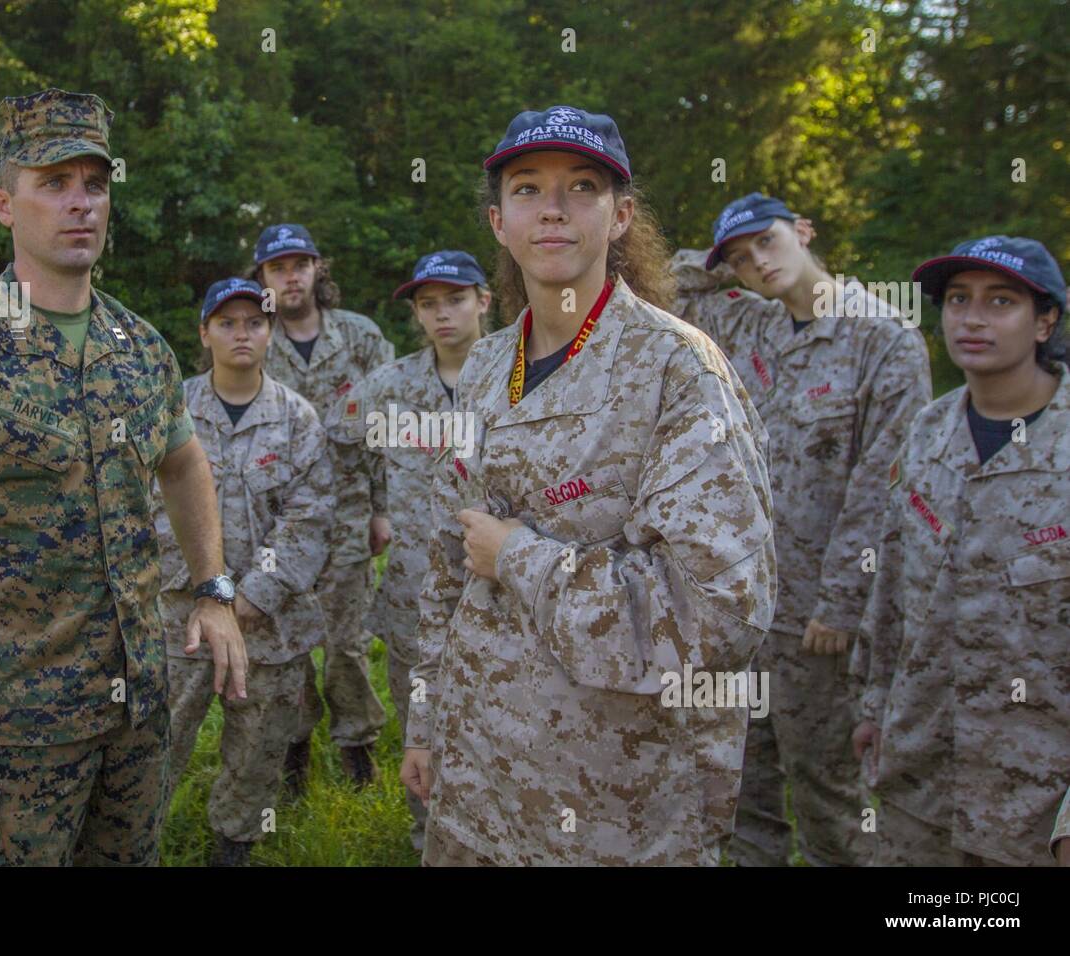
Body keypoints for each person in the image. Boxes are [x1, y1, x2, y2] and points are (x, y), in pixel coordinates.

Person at [0, 88, 247, 866]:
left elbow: (184, 461)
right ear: (6, 203)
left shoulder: (141, 348)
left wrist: (213, 589)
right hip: (9, 730)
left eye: (94, 184)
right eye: (54, 183)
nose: (80, 205)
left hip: (138, 713)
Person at [399, 106, 776, 865]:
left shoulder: (677, 368)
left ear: (620, 215)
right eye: (528, 189)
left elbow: (721, 612)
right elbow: (446, 568)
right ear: (499, 222)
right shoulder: (483, 367)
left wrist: (521, 558)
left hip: (616, 800)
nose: (554, 210)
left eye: (582, 187)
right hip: (478, 784)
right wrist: (425, 721)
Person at [670, 194, 932, 866]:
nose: (757, 261)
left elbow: (885, 483)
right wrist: (717, 267)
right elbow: (665, 284)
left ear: (806, 231)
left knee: (824, 789)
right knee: (742, 781)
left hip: (819, 617)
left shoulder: (883, 337)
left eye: (767, 241)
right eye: (739, 256)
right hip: (742, 605)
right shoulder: (750, 328)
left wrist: (844, 601)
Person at [852, 235, 1069, 866]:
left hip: (1037, 800)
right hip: (921, 782)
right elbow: (892, 582)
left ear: (1045, 321)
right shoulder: (928, 430)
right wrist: (873, 708)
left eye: (1000, 302)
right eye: (957, 300)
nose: (972, 319)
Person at [154, 277, 334, 866]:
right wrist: (206, 595)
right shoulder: (170, 411)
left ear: (271, 332)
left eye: (254, 322)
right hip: (181, 619)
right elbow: (145, 510)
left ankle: (233, 845)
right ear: (203, 333)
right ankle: (133, 838)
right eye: (226, 323)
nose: (241, 333)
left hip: (268, 623)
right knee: (157, 743)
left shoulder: (298, 419)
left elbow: (308, 524)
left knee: (257, 750)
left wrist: (247, 598)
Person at [326, 250, 490, 851]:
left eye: (454, 299)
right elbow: (336, 445)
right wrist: (367, 513)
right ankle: (431, 842)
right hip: (415, 600)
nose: (441, 314)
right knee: (421, 727)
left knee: (501, 729)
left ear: (483, 301)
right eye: (428, 304)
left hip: (502, 594)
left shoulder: (519, 377)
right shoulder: (391, 388)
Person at [249, 224, 393, 790]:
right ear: (261, 278)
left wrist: (384, 508)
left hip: (350, 513)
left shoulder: (359, 338)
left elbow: (386, 428)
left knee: (347, 642)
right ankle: (295, 746)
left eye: (298, 264)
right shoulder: (251, 338)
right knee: (288, 643)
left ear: (316, 270)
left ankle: (358, 744)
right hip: (279, 523)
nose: (289, 276)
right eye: (276, 268)